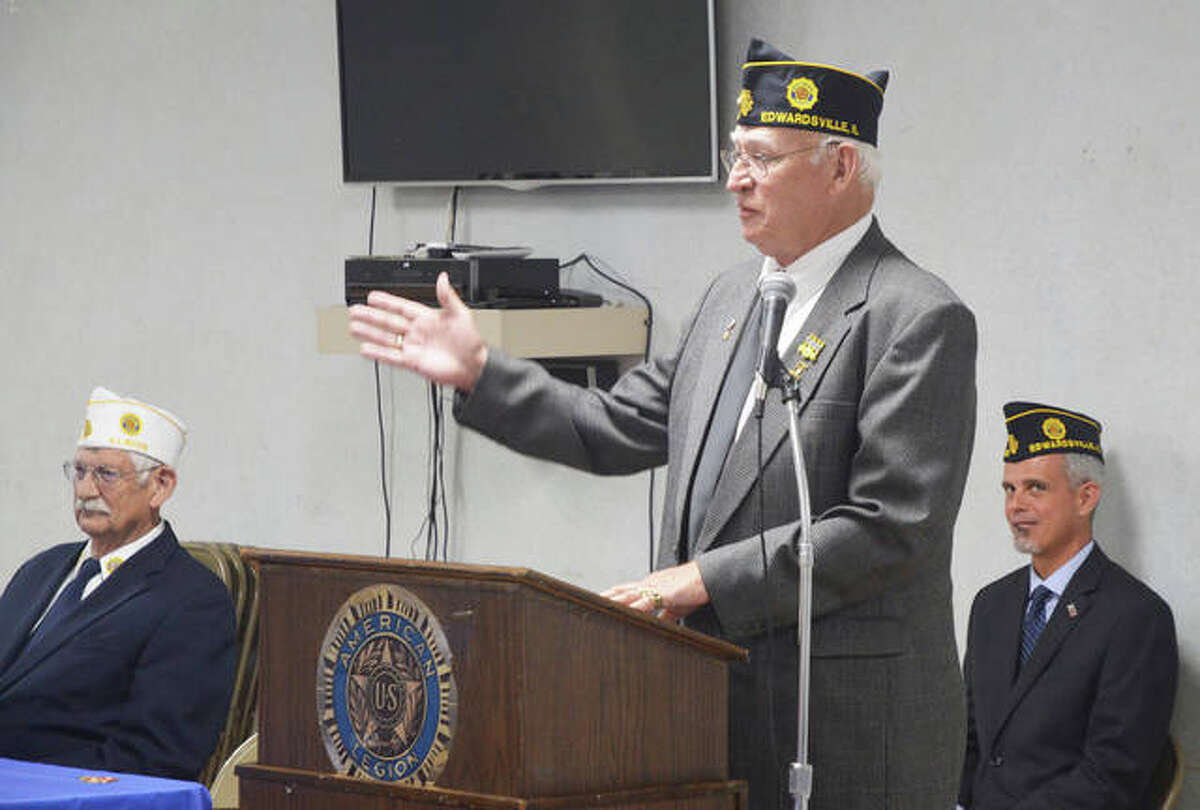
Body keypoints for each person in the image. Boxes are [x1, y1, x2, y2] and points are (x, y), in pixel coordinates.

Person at [349, 38, 976, 810]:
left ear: (841, 167)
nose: (736, 179)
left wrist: (703, 579)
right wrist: (483, 371)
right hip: (702, 708)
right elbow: (612, 426)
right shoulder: (731, 298)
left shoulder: (914, 315)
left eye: (761, 158)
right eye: (734, 155)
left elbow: (892, 527)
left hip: (847, 732)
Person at [0, 387, 236, 780]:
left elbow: (155, 758)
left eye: (106, 474)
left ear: (160, 486)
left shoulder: (193, 600)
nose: (85, 490)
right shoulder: (40, 569)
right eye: (79, 471)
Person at [959, 402, 1177, 809]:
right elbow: (966, 739)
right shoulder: (990, 605)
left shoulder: (1137, 618)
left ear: (1085, 497)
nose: (1015, 506)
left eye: (1035, 488)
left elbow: (1113, 775)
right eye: (1009, 489)